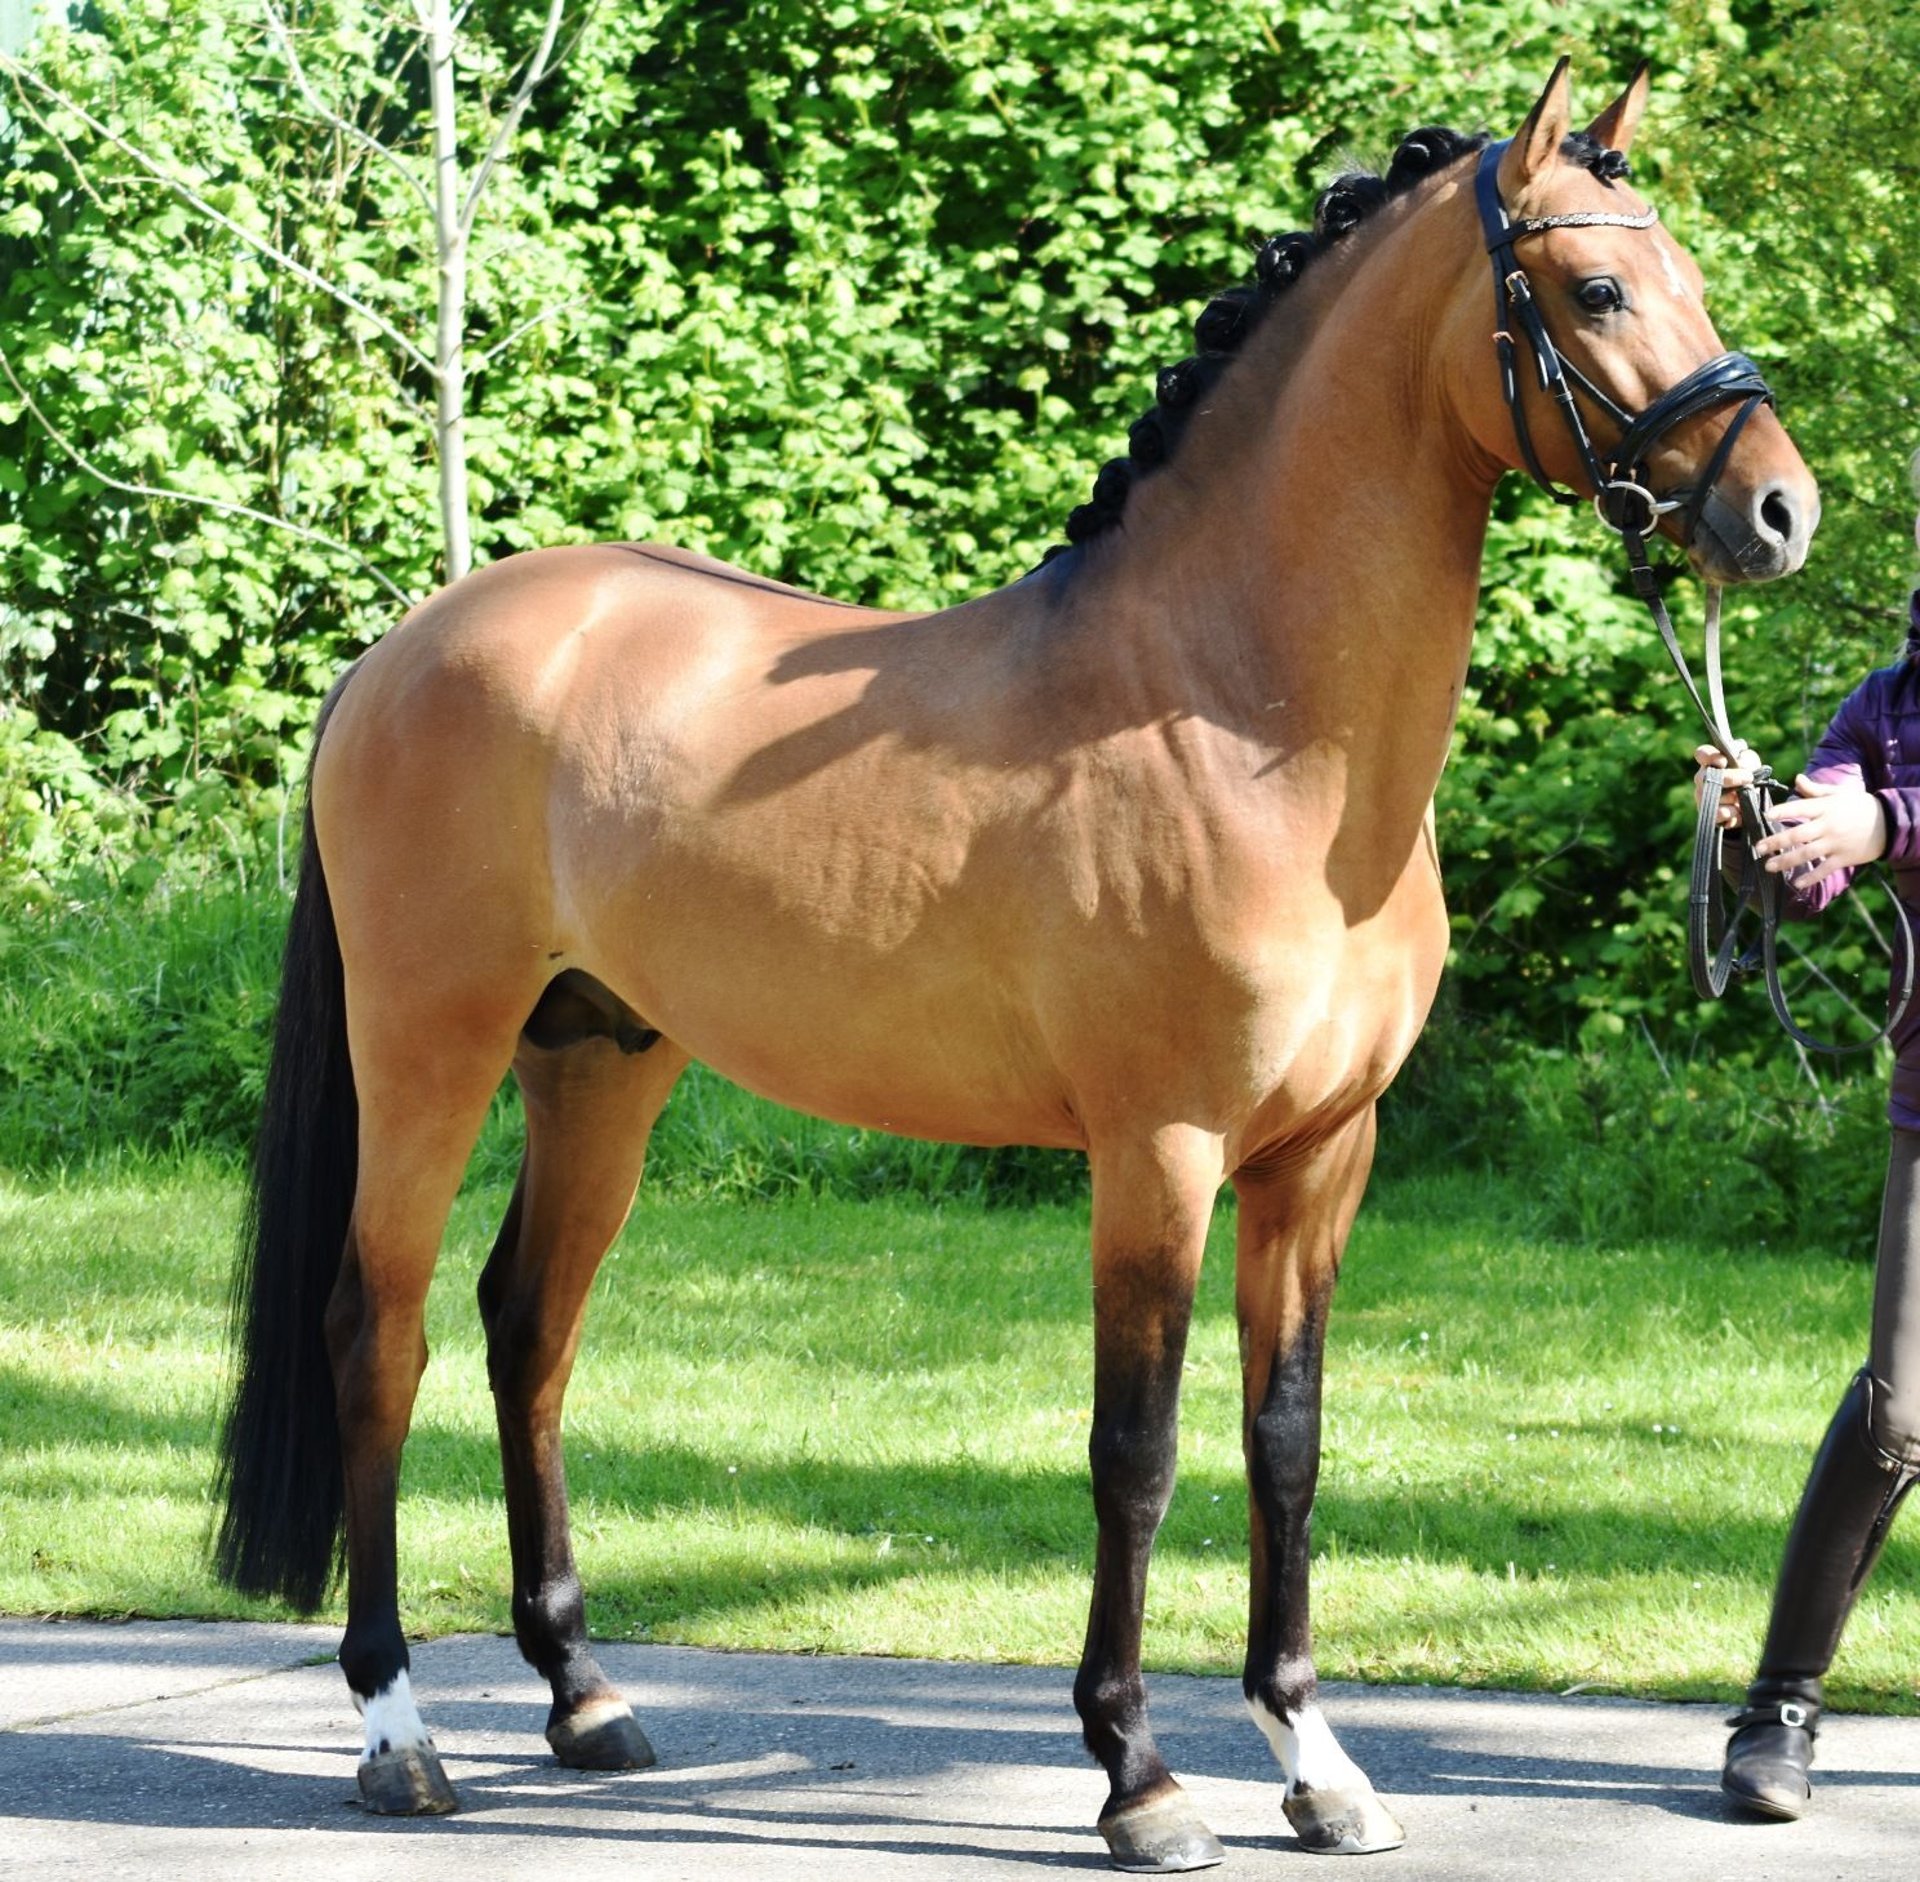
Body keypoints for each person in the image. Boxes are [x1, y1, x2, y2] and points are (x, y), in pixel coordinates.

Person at [1698, 471, 1920, 1820]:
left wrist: (1893, 824)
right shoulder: (1883, 709)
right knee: (1899, 1410)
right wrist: (1757, 831)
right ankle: (1779, 1707)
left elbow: (1879, 830)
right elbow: (1816, 869)